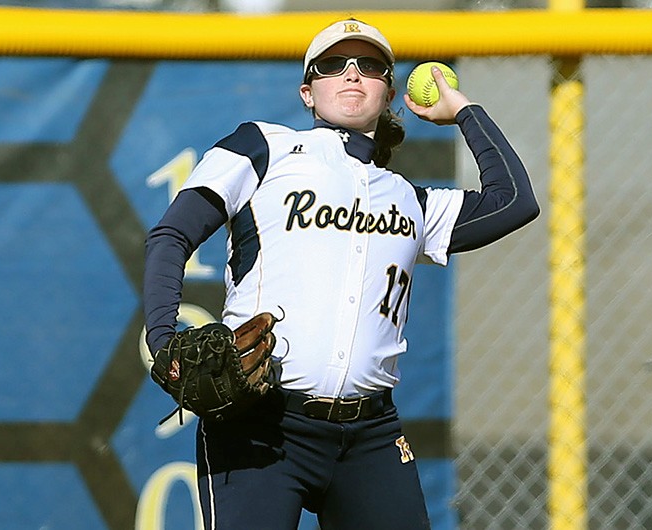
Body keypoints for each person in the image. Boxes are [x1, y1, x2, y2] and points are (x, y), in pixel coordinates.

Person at [143, 18, 540, 530]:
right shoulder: (262, 147)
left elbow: (514, 201)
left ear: (389, 93)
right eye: (333, 65)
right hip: (260, 422)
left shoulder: (412, 201)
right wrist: (163, 340)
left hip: (371, 436)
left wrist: (464, 111)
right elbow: (171, 235)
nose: (352, 73)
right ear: (308, 92)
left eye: (369, 66)